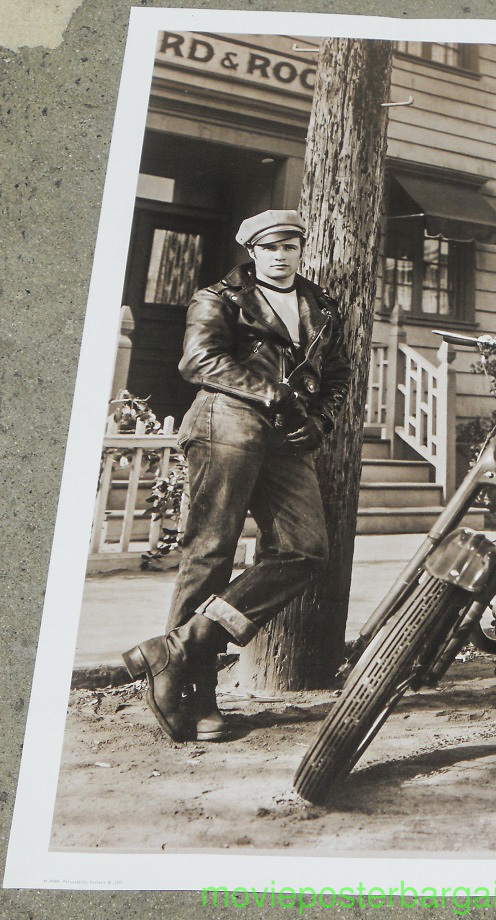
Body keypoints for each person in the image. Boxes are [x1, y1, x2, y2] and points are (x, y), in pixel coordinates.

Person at [122, 209, 351, 743]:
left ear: (300, 249)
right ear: (253, 251)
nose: (280, 256)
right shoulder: (218, 297)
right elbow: (199, 360)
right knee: (209, 555)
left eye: (289, 246)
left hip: (288, 438)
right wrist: (274, 392)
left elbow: (336, 372)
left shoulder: (322, 306)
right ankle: (195, 698)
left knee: (305, 548)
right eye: (269, 247)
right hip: (226, 424)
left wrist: (321, 419)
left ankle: (174, 650)